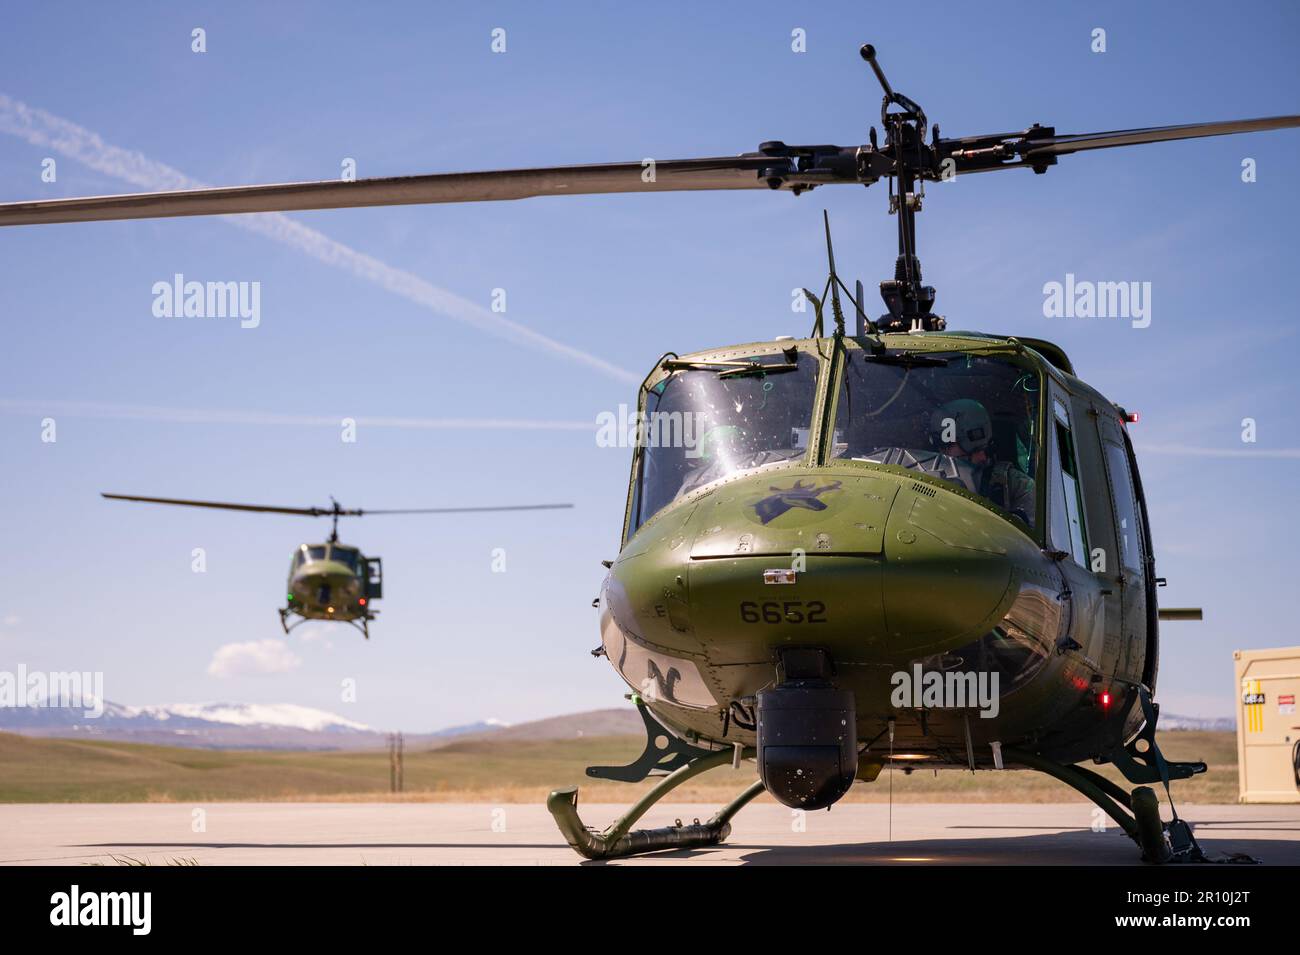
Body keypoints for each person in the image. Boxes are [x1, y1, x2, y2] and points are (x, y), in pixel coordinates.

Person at [927, 398, 1035, 526]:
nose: (983, 457)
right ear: (942, 447)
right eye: (973, 451)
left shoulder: (1015, 484)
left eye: (985, 449)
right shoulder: (923, 481)